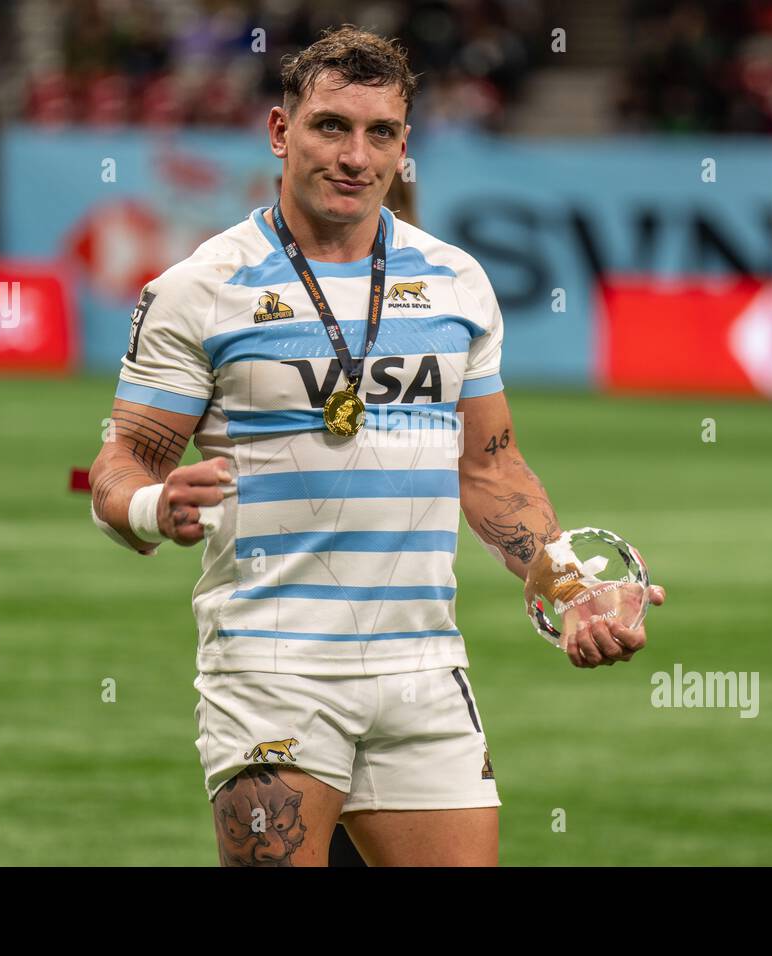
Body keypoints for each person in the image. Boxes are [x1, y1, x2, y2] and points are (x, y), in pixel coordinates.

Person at [89, 25, 665, 866]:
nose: (356, 156)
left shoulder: (456, 281)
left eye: (381, 133)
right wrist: (152, 506)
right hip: (271, 670)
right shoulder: (199, 290)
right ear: (281, 131)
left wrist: (570, 588)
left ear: (404, 143)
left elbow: (491, 468)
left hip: (423, 667)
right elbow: (121, 464)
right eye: (331, 127)